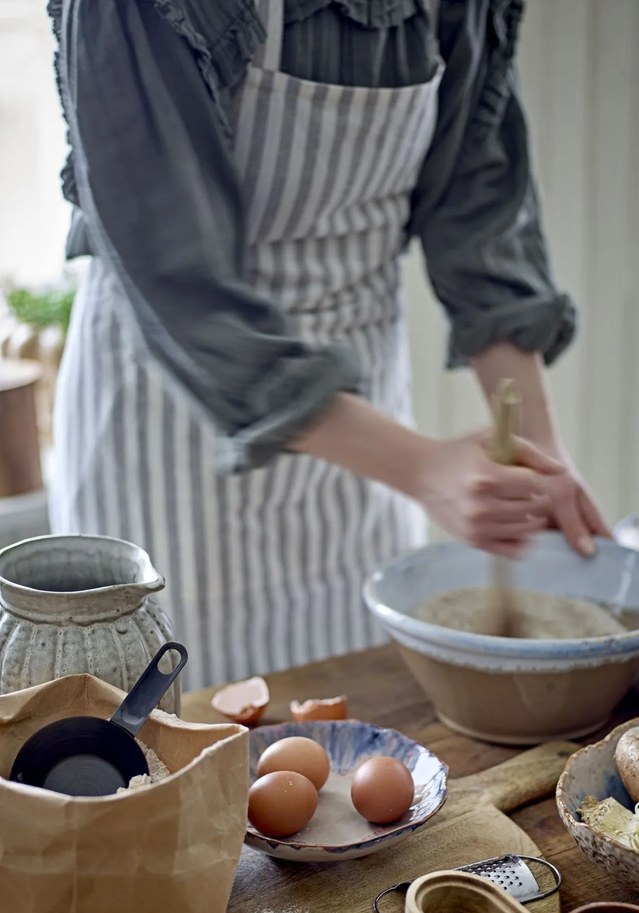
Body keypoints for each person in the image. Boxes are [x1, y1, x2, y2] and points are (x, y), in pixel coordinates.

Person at [48, 0, 609, 690]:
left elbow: (481, 202)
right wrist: (426, 468)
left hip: (363, 441)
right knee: (176, 742)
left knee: (359, 724)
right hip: (172, 411)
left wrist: (539, 450)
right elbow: (177, 275)